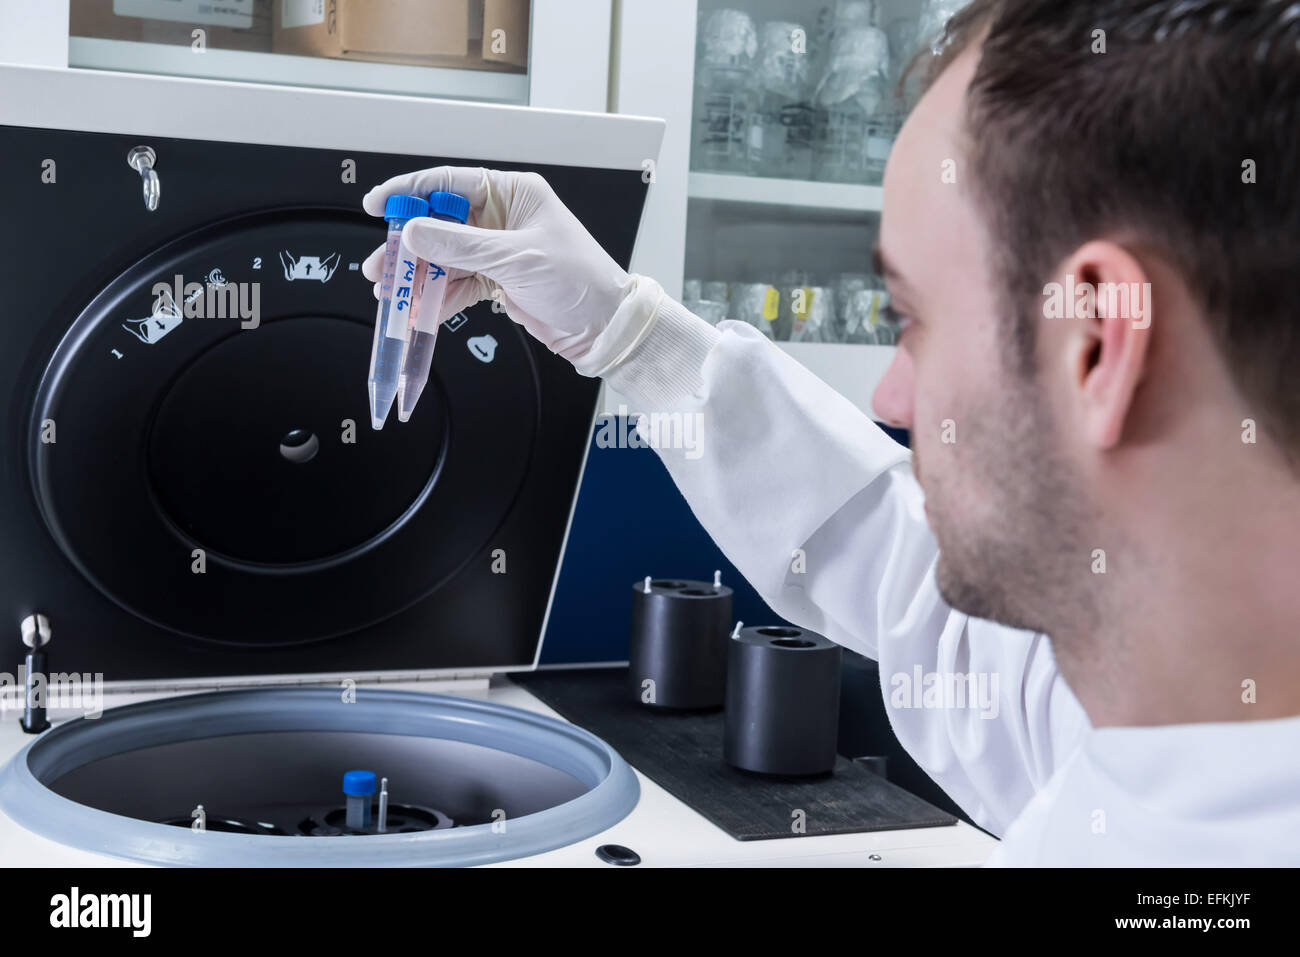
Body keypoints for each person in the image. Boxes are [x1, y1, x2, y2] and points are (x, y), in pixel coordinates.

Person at [361, 0, 1300, 865]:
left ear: (1096, 342)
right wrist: (627, 336)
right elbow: (901, 577)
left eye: (912, 319)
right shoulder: (1163, 710)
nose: (891, 397)